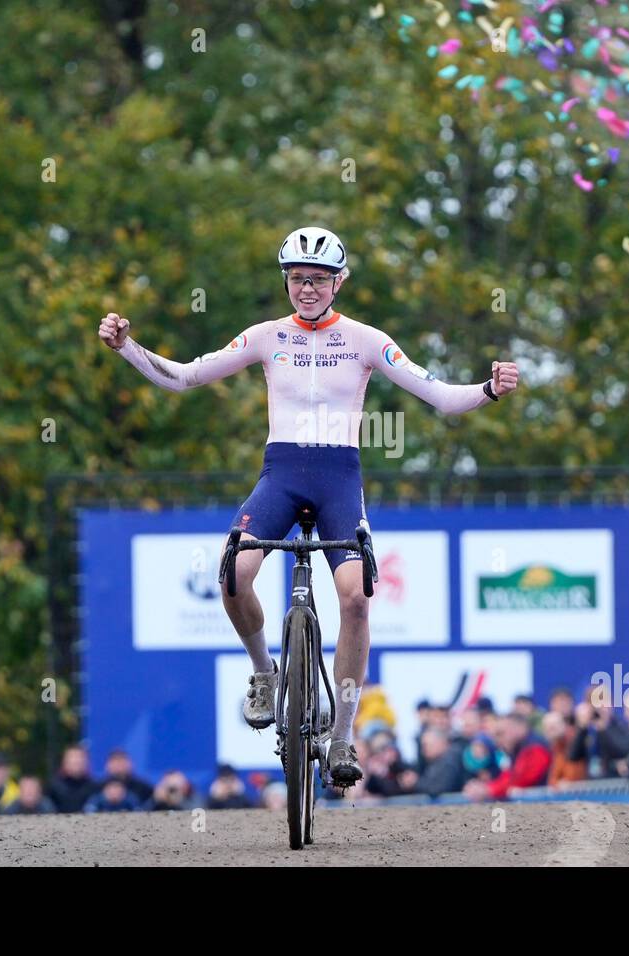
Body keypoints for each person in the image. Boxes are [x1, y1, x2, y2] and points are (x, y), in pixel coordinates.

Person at [99, 226, 521, 786]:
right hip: (281, 475)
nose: (307, 290)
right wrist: (126, 346)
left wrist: (489, 389)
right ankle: (264, 674)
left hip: (338, 480)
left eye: (319, 281)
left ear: (339, 282)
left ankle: (343, 736)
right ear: (286, 281)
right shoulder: (266, 336)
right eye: (298, 280)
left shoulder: (367, 340)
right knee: (233, 574)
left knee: (356, 600)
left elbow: (441, 397)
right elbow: (185, 378)